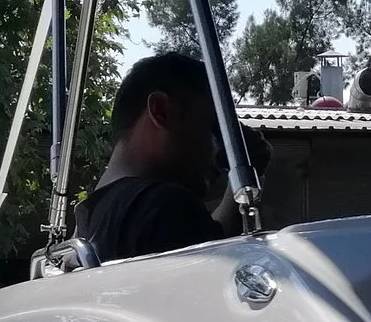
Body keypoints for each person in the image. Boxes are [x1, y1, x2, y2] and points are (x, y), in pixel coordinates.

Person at [76, 51, 251, 262]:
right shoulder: (164, 208)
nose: (222, 151)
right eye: (213, 128)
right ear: (161, 111)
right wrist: (247, 179)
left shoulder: (89, 220)